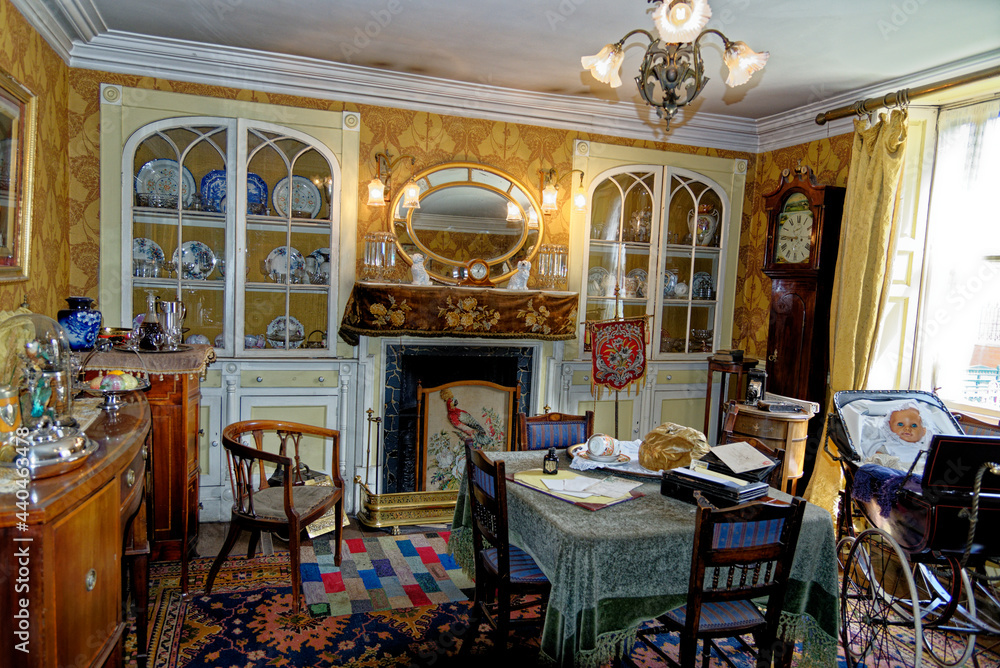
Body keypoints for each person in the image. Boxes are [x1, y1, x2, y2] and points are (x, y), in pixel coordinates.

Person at [860, 401, 936, 474]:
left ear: (924, 430)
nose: (907, 428)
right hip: (898, 478)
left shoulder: (927, 447)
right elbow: (877, 461)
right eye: (900, 424)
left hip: (922, 479)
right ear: (889, 427)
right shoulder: (889, 447)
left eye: (913, 425)